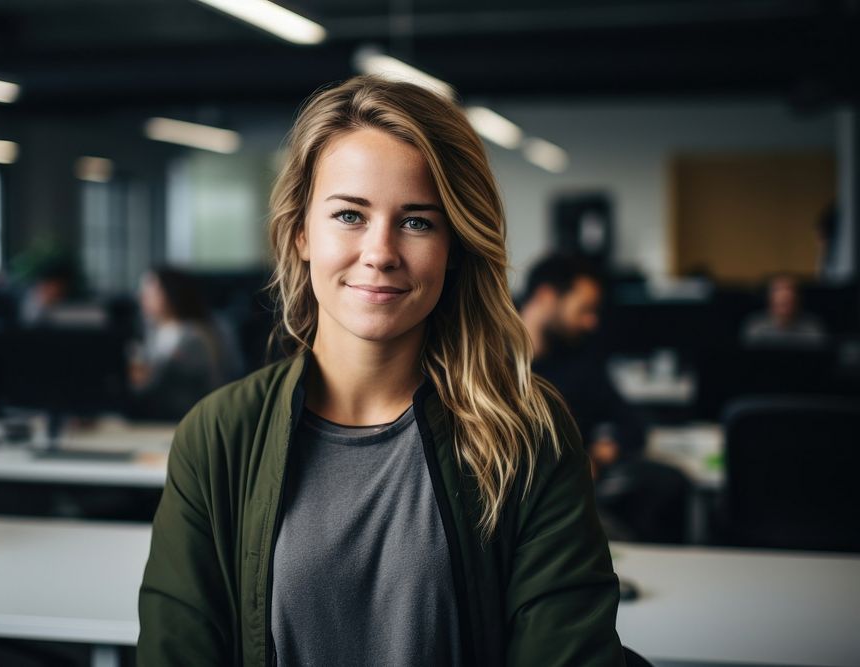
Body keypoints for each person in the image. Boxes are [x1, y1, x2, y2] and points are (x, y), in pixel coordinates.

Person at [138, 76, 624, 666]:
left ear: (455, 245)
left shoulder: (528, 432)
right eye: (349, 214)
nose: (381, 251)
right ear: (300, 234)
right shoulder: (218, 435)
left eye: (417, 221)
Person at [518, 253, 688, 543]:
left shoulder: (580, 356)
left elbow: (632, 422)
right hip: (521, 489)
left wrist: (600, 452)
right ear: (546, 296)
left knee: (668, 483)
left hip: (579, 483)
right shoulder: (484, 354)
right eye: (584, 309)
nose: (591, 322)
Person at [129, 267, 231, 421]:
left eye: (151, 292)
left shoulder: (193, 337)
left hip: (185, 418)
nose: (143, 298)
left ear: (171, 293)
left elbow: (154, 382)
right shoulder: (155, 333)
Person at [742, 273, 826, 347]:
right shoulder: (756, 327)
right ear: (768, 298)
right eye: (778, 290)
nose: (785, 295)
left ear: (798, 298)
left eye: (789, 290)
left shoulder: (812, 328)